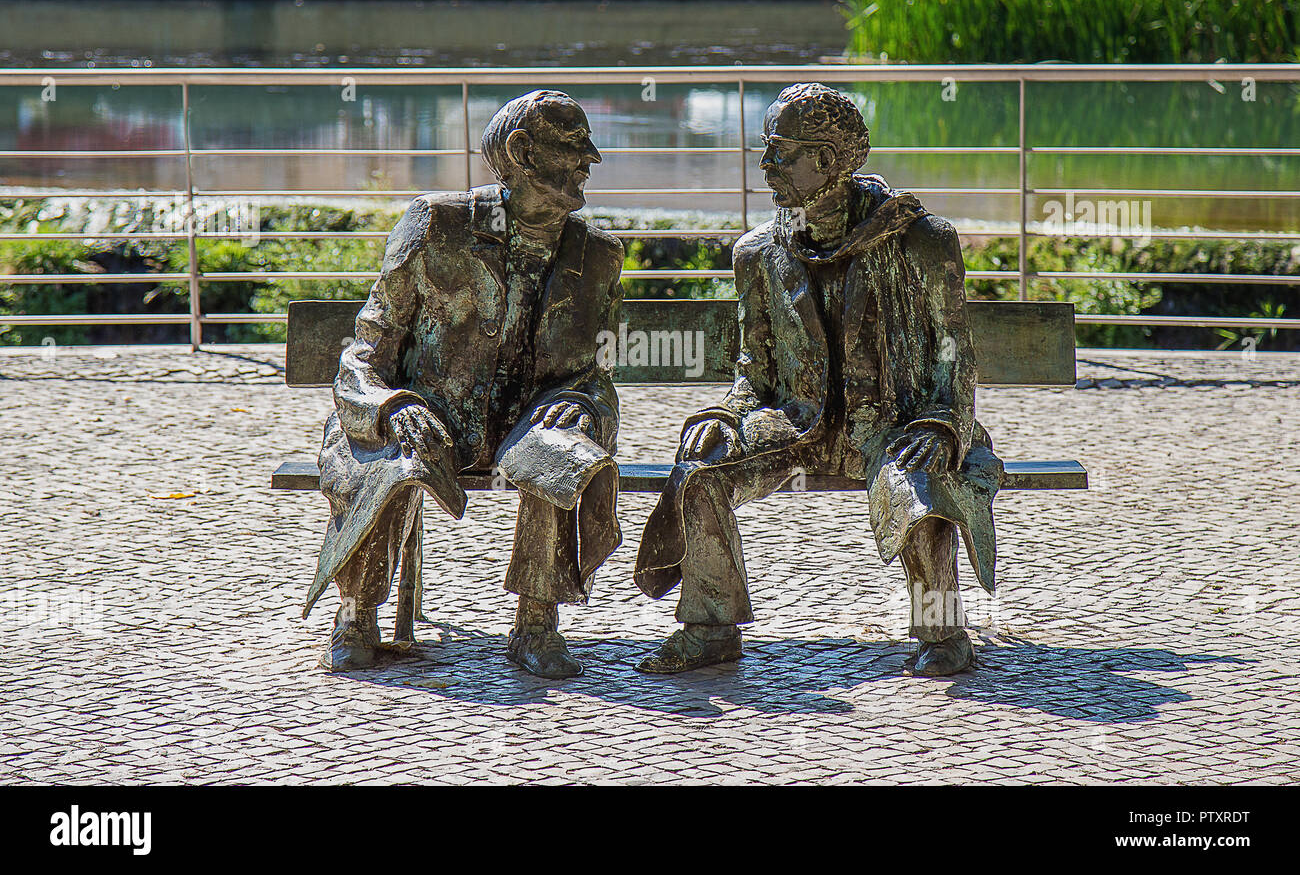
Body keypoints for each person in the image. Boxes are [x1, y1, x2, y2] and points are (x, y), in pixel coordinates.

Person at [634, 83, 1004, 677]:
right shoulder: (759, 254)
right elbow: (752, 370)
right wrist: (726, 415)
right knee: (699, 470)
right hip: (796, 426)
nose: (765, 165)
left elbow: (952, 351)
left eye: (781, 152)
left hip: (895, 421)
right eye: (767, 149)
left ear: (828, 160)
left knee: (921, 478)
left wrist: (943, 423)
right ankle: (710, 625)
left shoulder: (921, 242)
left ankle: (942, 630)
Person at [304, 90, 624, 679]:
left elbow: (597, 373)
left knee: (563, 452)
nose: (591, 162)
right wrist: (387, 404)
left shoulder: (597, 255)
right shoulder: (438, 224)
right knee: (390, 455)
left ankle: (537, 623)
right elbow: (364, 353)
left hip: (526, 425)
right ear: (521, 152)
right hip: (428, 417)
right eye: (573, 148)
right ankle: (355, 617)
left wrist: (583, 405)